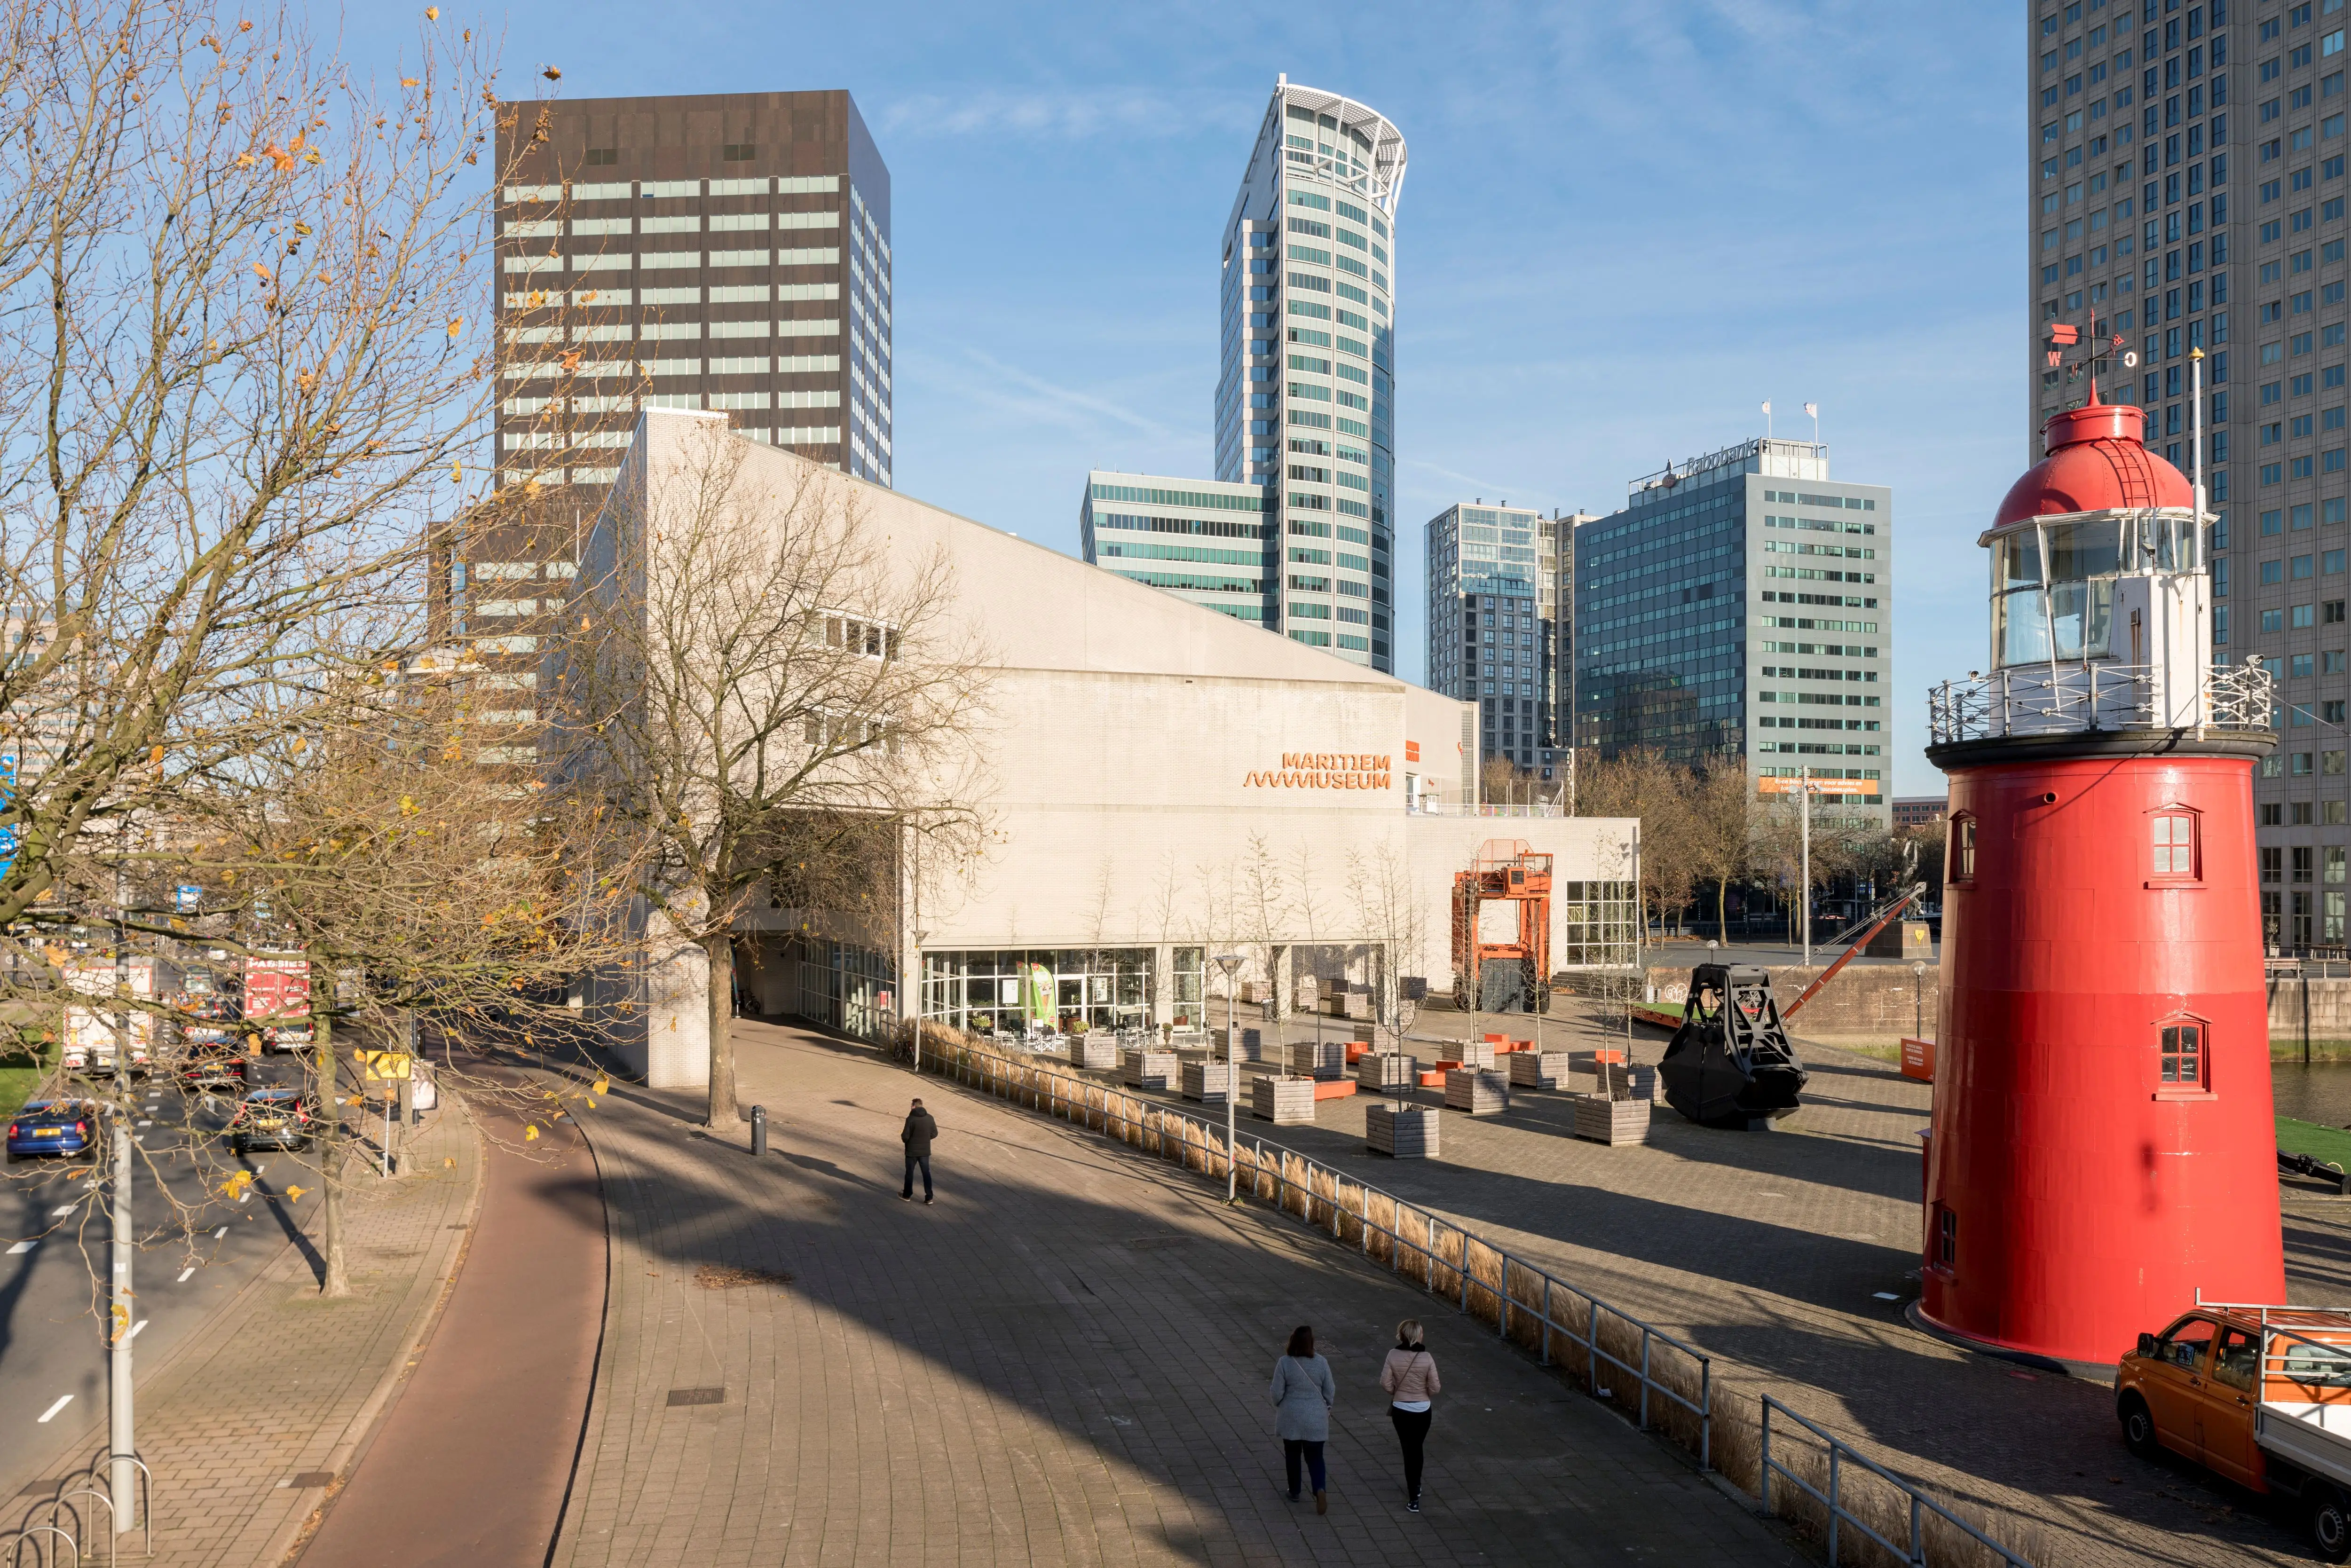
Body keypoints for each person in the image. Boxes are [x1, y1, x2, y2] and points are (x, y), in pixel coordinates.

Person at [1269, 1324, 1337, 1513]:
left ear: (1292, 1341)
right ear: (1311, 1342)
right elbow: (1330, 1390)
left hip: (1291, 1417)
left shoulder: (1285, 1363)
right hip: (1316, 1419)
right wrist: (1327, 1405)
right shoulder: (1321, 1362)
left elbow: (1276, 1392)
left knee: (1292, 1455)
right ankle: (1320, 1489)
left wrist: (1280, 1403)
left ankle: (1295, 1491)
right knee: (1315, 1457)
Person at [1381, 1318, 1441, 1512]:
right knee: (1418, 1448)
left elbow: (1385, 1382)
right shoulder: (1427, 1358)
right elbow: (1435, 1387)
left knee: (1408, 1451)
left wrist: (1396, 1392)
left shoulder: (1393, 1355)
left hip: (1401, 1410)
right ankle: (1418, 1485)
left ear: (1402, 1335)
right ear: (1418, 1336)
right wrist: (1424, 1394)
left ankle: (1413, 1497)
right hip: (1423, 1410)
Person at [899, 1098, 938, 1203]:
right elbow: (935, 1133)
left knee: (910, 1173)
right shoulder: (930, 1118)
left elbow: (905, 1136)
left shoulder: (911, 1119)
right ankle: (929, 1197)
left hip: (912, 1151)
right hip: (925, 1151)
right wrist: (925, 1140)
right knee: (926, 1173)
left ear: (914, 1106)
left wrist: (907, 1141)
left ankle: (907, 1195)